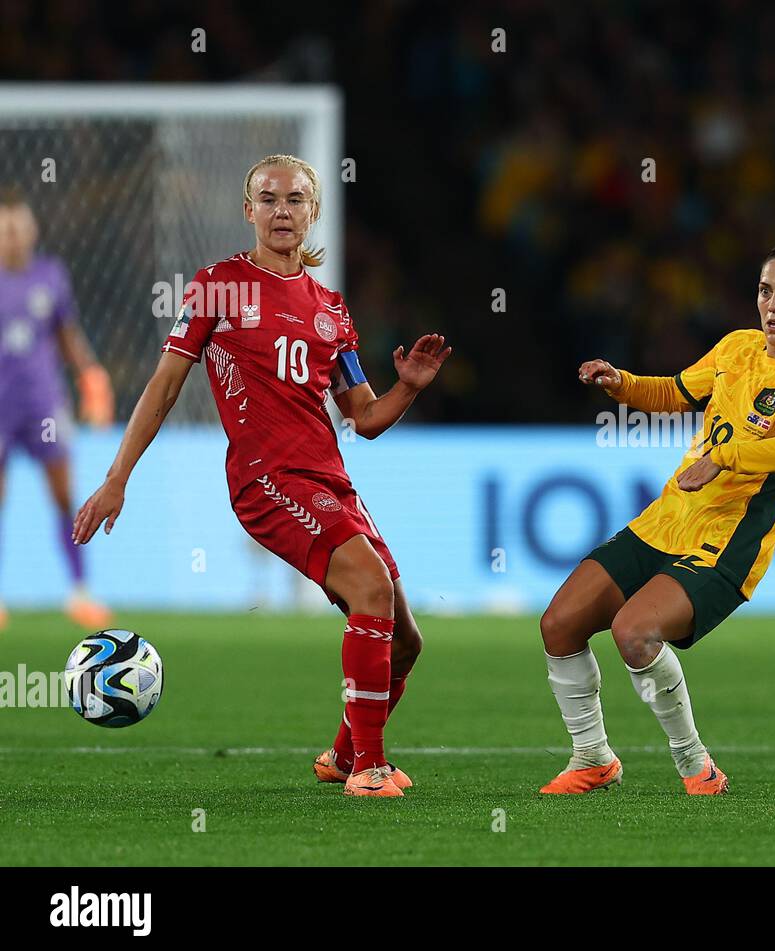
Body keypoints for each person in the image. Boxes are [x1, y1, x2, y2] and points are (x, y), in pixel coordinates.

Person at [72, 155, 451, 798]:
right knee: (372, 590)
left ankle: (340, 756)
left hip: (330, 482)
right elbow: (165, 386)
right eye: (268, 200)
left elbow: (364, 417)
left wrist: (408, 389)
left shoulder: (332, 309)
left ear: (313, 211)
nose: (282, 210)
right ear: (249, 211)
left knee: (407, 641)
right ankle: (370, 769)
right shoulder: (218, 287)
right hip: (266, 477)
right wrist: (117, 477)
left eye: (295, 199)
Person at [538, 219, 775, 794]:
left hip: (726, 541)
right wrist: (622, 383)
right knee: (559, 624)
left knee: (634, 632)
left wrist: (728, 455)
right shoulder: (736, 348)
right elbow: (676, 391)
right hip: (666, 521)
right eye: (764, 290)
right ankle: (592, 758)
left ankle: (695, 765)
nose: (772, 305)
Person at [0, 190, 115, 631]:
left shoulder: (51, 276)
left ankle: (81, 592)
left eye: (19, 228)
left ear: (32, 231)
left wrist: (90, 375)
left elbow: (67, 335)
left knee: (64, 496)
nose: (13, 237)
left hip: (44, 405)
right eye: (6, 229)